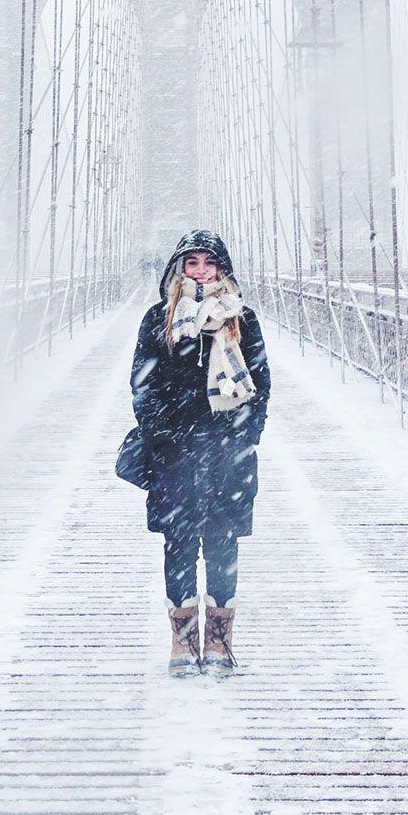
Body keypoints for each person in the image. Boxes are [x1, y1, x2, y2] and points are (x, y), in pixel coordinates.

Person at [129, 229, 271, 676]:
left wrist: (244, 437)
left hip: (228, 453)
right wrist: (162, 435)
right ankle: (183, 643)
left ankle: (218, 642)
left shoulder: (241, 320)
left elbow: (260, 387)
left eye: (209, 263)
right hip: (175, 454)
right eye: (192, 263)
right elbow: (142, 387)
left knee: (223, 546)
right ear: (179, 270)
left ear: (222, 270)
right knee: (179, 545)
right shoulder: (159, 319)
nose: (201, 271)